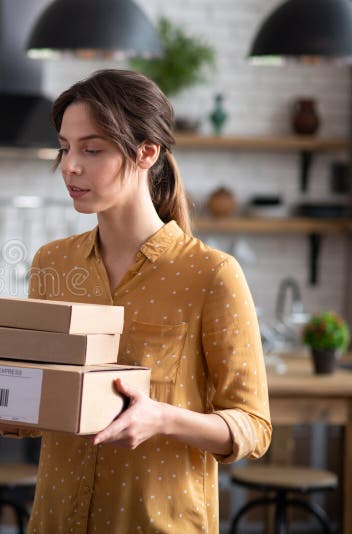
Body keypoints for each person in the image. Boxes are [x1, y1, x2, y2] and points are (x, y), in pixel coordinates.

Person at [24, 69, 272, 532]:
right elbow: (39, 400)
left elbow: (253, 427)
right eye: (64, 147)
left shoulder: (211, 274)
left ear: (146, 152)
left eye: (91, 150)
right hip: (56, 520)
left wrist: (161, 418)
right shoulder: (51, 263)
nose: (69, 166)